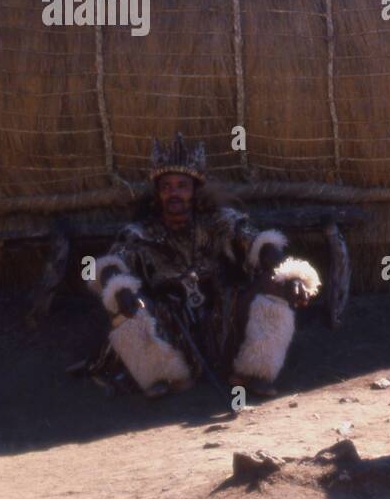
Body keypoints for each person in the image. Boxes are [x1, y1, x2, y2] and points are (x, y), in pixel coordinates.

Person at [88, 133, 321, 398]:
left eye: (181, 186)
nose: (173, 193)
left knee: (276, 285)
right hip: (173, 328)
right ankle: (163, 376)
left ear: (194, 190)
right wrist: (121, 291)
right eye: (166, 187)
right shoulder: (139, 233)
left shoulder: (219, 222)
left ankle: (254, 372)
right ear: (157, 194)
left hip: (225, 322)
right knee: (122, 305)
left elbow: (257, 242)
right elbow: (110, 265)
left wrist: (290, 275)